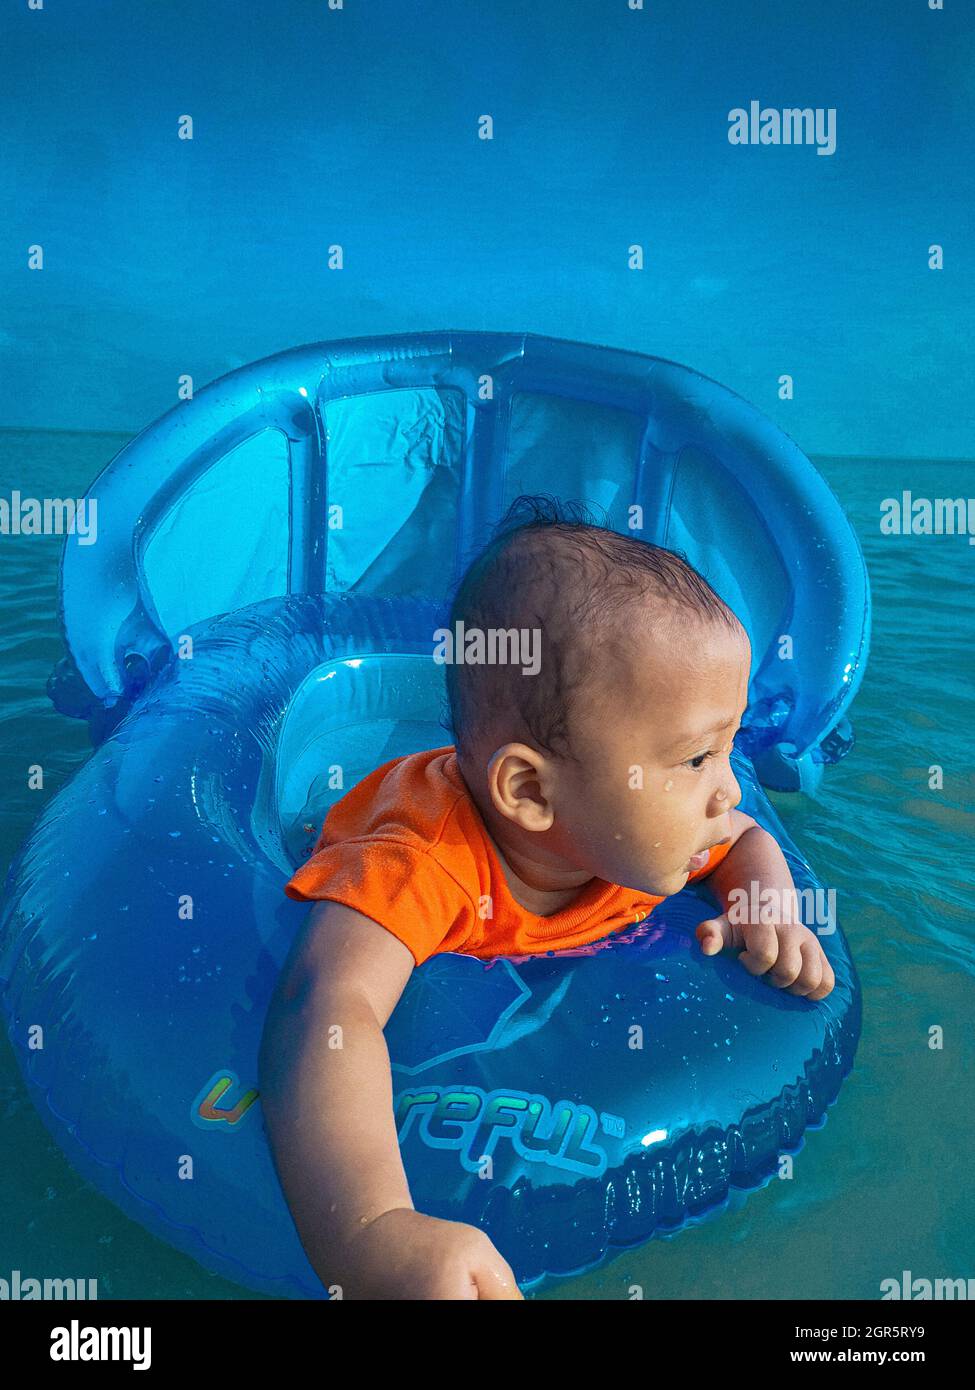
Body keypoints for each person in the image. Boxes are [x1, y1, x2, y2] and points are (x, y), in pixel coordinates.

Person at [258, 496, 834, 1300]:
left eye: (726, 747)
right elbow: (325, 1009)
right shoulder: (420, 866)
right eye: (696, 757)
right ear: (530, 792)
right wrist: (371, 1231)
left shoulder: (641, 824)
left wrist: (763, 902)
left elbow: (744, 840)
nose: (727, 787)